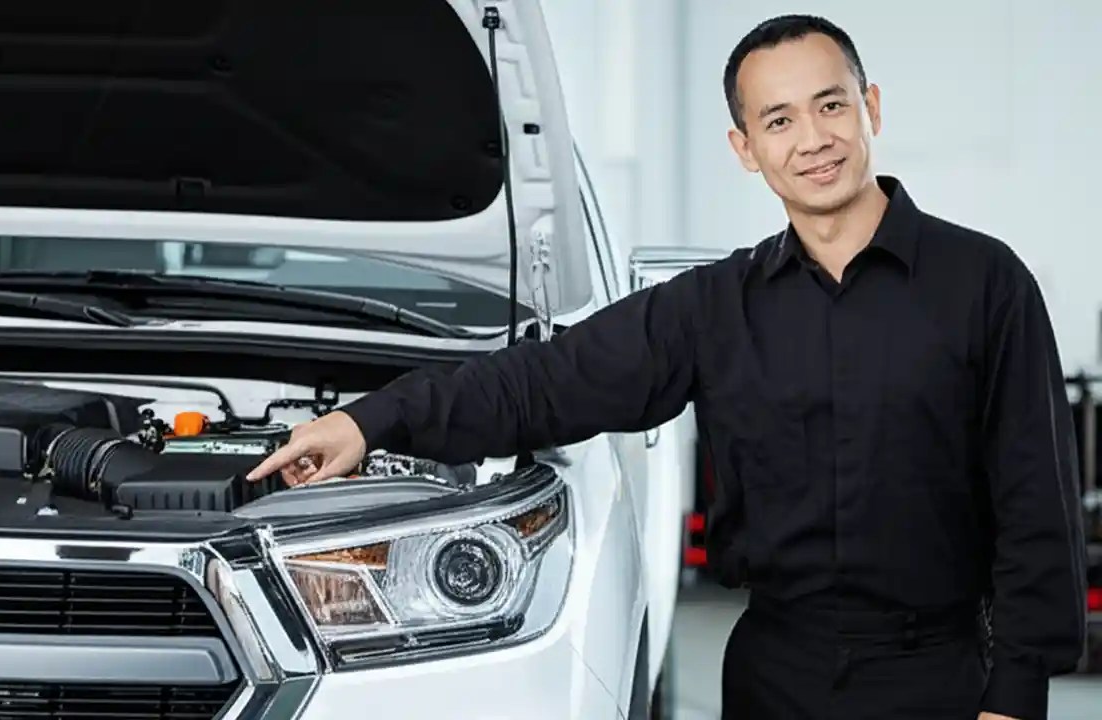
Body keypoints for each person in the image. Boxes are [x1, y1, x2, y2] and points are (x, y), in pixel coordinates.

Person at [247, 13, 1087, 720]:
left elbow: (1034, 504)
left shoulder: (985, 284)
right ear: (746, 147)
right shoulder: (713, 306)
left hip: (940, 676)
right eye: (780, 119)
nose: (814, 139)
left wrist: (1014, 696)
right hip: (774, 673)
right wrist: (370, 419)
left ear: (870, 107)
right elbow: (544, 383)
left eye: (831, 105)